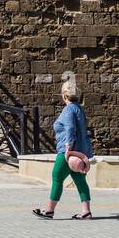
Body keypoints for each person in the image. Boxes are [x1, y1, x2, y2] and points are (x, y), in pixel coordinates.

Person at [32, 78, 94, 220]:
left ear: (64, 96)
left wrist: (68, 148)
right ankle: (86, 212)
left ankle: (49, 210)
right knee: (80, 181)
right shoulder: (79, 109)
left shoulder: (68, 109)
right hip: (80, 153)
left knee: (57, 177)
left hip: (68, 152)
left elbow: (70, 129)